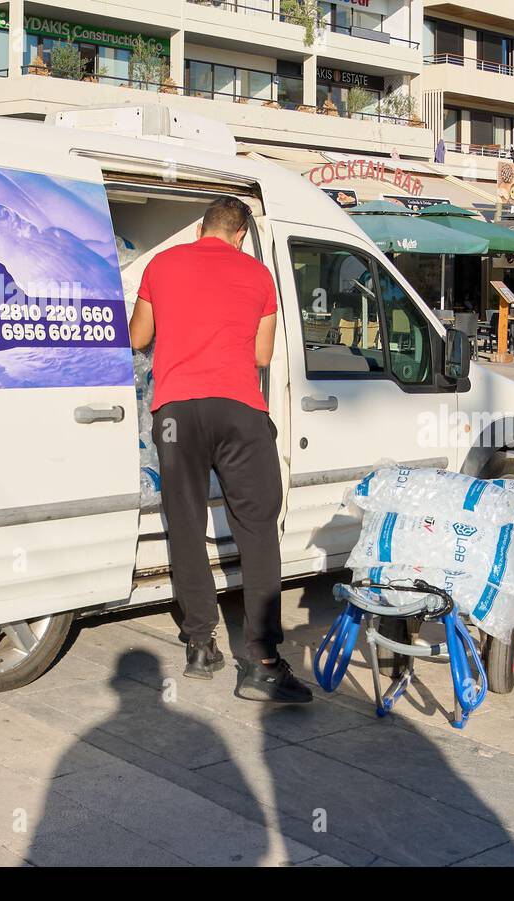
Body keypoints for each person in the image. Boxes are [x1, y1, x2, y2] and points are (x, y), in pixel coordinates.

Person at [129, 197, 312, 704]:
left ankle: (200, 647)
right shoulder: (257, 275)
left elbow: (138, 336)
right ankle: (262, 664)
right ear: (239, 234)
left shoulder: (162, 265)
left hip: (175, 416)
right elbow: (259, 354)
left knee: (185, 523)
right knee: (257, 531)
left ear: (199, 229)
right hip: (239, 413)